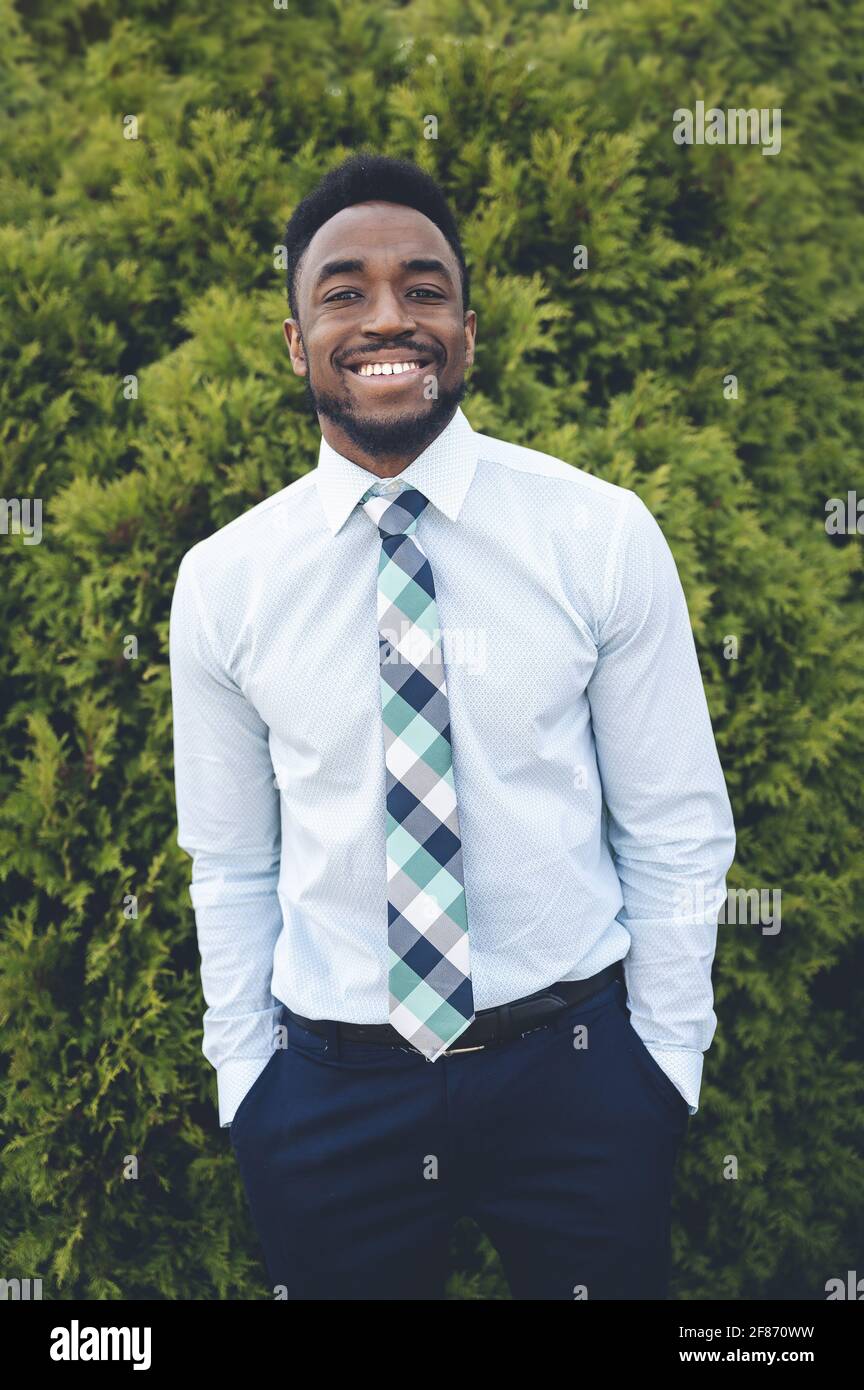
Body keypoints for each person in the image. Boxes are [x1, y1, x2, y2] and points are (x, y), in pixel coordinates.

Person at [168, 152, 736, 1301]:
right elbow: (230, 861)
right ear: (296, 341)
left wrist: (665, 1062)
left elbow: (674, 820)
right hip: (328, 1094)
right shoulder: (225, 582)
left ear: (467, 333)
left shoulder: (599, 535)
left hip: (578, 1075)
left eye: (425, 290)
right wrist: (248, 1080)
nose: (390, 317)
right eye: (344, 290)